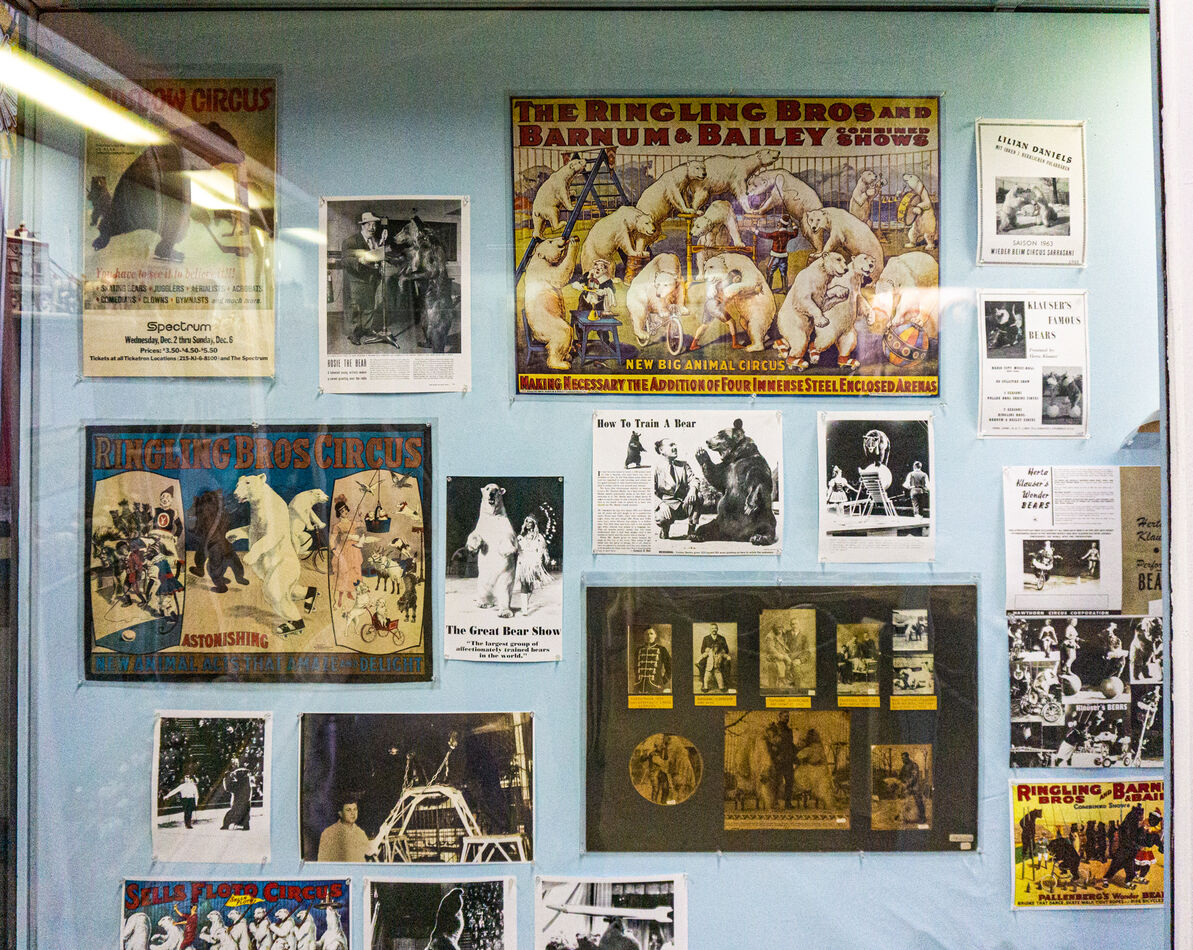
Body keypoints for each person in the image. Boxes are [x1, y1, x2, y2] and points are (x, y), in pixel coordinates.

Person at [342, 211, 385, 344]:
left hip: (371, 279)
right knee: (355, 308)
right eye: (369, 225)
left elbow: (376, 256)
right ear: (362, 226)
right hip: (356, 280)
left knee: (369, 306)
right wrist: (359, 260)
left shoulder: (374, 241)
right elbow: (345, 259)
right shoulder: (351, 241)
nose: (372, 228)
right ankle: (353, 333)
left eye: (374, 225)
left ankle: (366, 328)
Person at [653, 439, 697, 540]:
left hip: (684, 505)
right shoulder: (655, 468)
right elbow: (649, 491)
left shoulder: (683, 465)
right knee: (661, 517)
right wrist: (661, 504)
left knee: (698, 496)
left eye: (675, 444)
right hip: (667, 506)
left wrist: (693, 489)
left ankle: (691, 530)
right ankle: (665, 529)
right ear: (661, 450)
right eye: (671, 445)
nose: (675, 447)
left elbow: (694, 479)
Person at [330, 495, 365, 610]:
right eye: (341, 511)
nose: (344, 512)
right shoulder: (337, 526)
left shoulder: (353, 522)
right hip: (344, 550)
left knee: (354, 571)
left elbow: (362, 524)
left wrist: (361, 516)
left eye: (345, 509)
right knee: (343, 573)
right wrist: (335, 551)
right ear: (338, 513)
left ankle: (350, 592)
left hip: (354, 550)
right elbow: (332, 540)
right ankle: (340, 598)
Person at [759, 215, 799, 291]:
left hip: (775, 257)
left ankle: (769, 289)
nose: (777, 224)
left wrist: (756, 231)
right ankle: (784, 289)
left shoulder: (775, 234)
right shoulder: (788, 234)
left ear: (781, 224)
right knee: (783, 273)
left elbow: (766, 235)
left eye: (779, 223)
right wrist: (793, 224)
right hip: (784, 257)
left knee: (769, 271)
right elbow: (795, 233)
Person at [634, 627, 672, 694]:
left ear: (655, 635)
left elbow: (670, 667)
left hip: (655, 686)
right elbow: (635, 667)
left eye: (651, 634)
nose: (649, 636)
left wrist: (662, 681)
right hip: (640, 686)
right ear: (644, 636)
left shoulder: (662, 649)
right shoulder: (639, 650)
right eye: (646, 634)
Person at [221, 756, 253, 830]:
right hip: (240, 795)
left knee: (242, 811)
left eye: (236, 762)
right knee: (236, 811)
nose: (235, 764)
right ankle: (231, 824)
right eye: (233, 763)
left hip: (244, 795)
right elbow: (229, 787)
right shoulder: (236, 774)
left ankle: (244, 825)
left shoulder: (241, 773)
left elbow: (229, 787)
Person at [696, 623, 731, 693]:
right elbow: (702, 650)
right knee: (702, 663)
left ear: (717, 629)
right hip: (708, 657)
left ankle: (724, 682)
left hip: (719, 657)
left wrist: (723, 651)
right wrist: (706, 650)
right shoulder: (706, 638)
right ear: (710, 629)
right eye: (712, 628)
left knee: (726, 664)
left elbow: (726, 650)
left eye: (715, 628)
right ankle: (704, 682)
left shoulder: (722, 638)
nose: (714, 630)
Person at [774, 712, 796, 808]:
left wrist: (797, 753)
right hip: (778, 759)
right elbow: (773, 743)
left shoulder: (789, 730)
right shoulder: (775, 729)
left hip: (788, 759)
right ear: (779, 717)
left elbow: (790, 744)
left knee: (789, 781)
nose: (787, 718)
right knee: (776, 781)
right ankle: (774, 802)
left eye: (788, 716)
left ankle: (788, 803)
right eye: (785, 716)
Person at [899, 751, 927, 824]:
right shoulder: (903, 767)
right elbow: (900, 776)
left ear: (908, 757)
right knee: (905, 803)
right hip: (907, 787)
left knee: (918, 801)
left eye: (904, 758)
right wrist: (902, 782)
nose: (902, 760)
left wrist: (907, 784)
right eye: (901, 758)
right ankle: (905, 818)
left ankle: (923, 817)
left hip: (915, 786)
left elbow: (914, 776)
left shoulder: (914, 765)